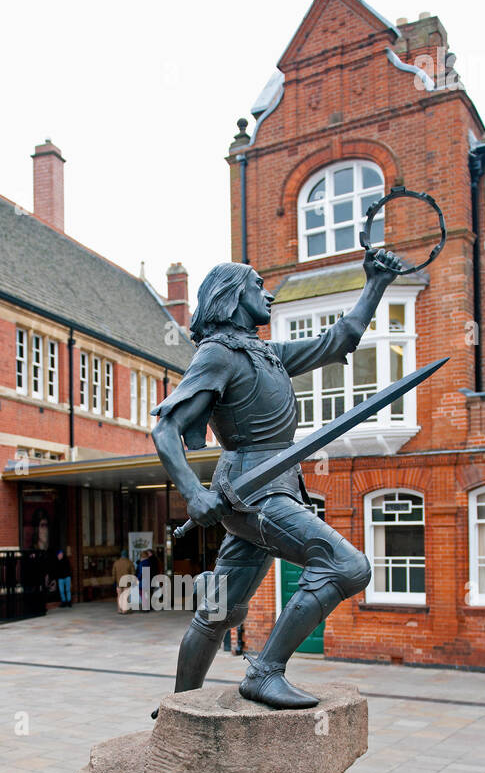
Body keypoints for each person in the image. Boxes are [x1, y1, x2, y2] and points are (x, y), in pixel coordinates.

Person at [151, 248, 403, 708]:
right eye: (257, 284)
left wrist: (375, 284)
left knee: (218, 611)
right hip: (253, 492)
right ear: (232, 296)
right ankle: (264, 673)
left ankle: (178, 709)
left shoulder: (265, 354)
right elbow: (165, 428)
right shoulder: (218, 354)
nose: (266, 292)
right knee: (348, 566)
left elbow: (337, 340)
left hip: (271, 487)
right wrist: (191, 492)